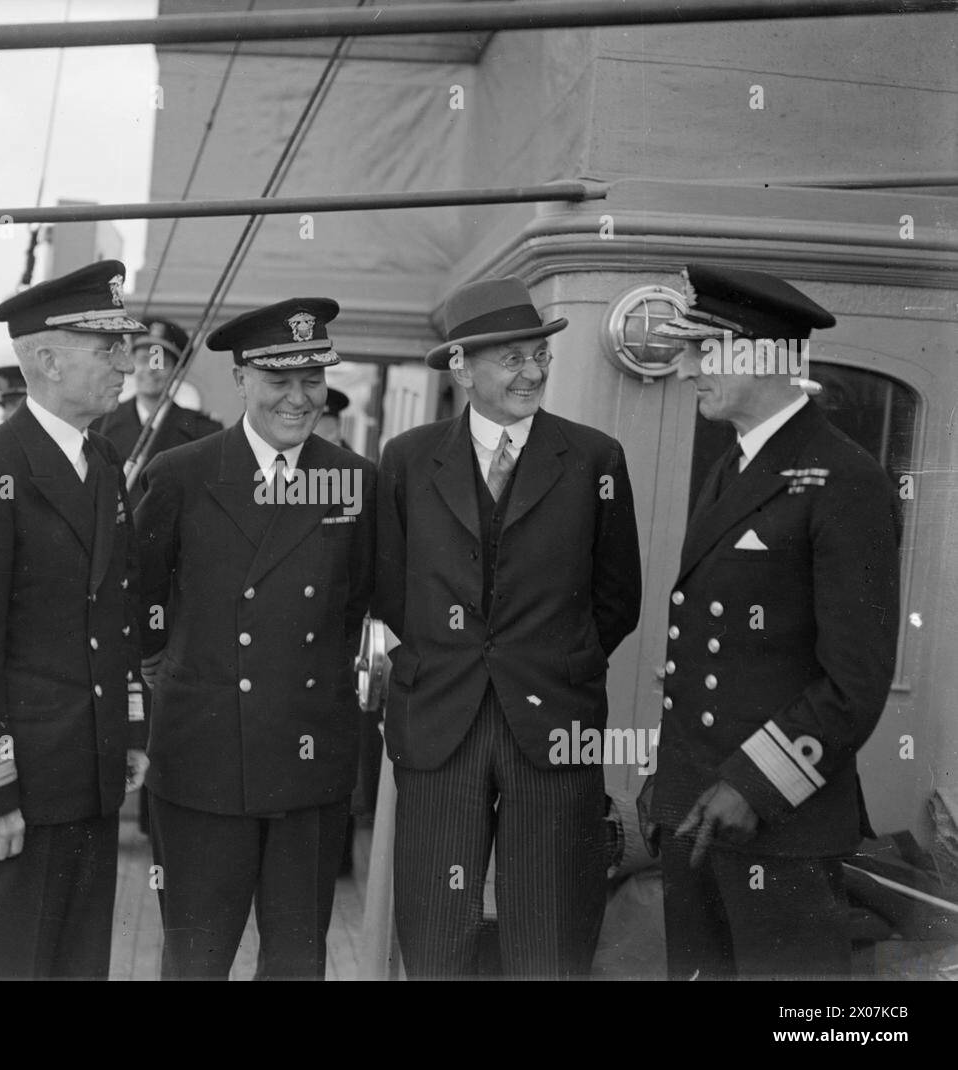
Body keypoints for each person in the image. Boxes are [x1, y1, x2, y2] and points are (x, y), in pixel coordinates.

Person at [373, 276, 642, 978]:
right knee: (435, 932)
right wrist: (447, 659)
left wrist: (550, 661)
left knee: (548, 937)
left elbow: (618, 599)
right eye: (512, 358)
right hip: (440, 723)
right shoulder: (406, 458)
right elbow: (390, 588)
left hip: (554, 725)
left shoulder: (594, 459)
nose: (533, 372)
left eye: (539, 356)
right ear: (461, 365)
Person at [640, 263, 900, 979]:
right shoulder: (735, 465)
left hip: (778, 823)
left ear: (761, 353)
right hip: (701, 813)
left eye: (704, 348)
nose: (687, 366)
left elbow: (857, 679)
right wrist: (673, 785)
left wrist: (753, 786)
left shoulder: (843, 479)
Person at [0, 260, 149, 979]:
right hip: (18, 787)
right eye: (108, 348)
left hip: (90, 771)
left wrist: (131, 730)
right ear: (45, 360)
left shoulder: (102, 461)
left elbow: (115, 614)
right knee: (4, 965)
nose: (127, 364)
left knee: (77, 966)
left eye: (127, 347)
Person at [135, 297, 376, 979]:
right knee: (196, 959)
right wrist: (175, 673)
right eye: (279, 381)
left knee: (298, 960)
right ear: (241, 379)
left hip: (309, 765)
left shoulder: (354, 481)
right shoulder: (181, 474)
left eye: (312, 380)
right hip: (202, 761)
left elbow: (356, 600)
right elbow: (142, 607)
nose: (298, 400)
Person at [91, 317, 222, 508]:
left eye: (160, 362)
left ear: (176, 370)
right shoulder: (100, 424)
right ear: (132, 363)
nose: (151, 370)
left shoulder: (204, 433)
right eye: (144, 360)